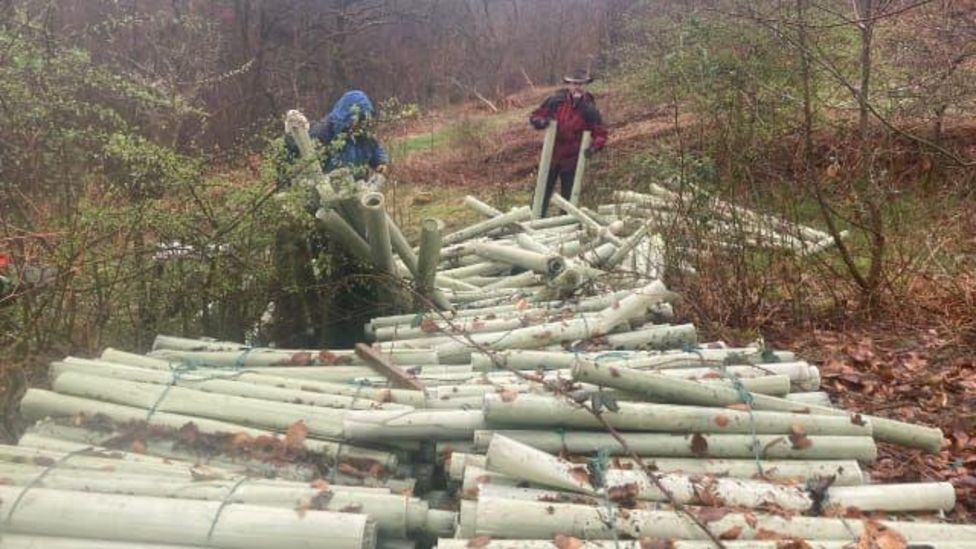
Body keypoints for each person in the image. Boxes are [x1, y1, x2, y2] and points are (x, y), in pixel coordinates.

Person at [529, 69, 608, 216]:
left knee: (569, 197)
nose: (577, 87)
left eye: (581, 84)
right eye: (574, 84)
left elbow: (600, 133)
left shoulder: (589, 109)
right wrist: (541, 122)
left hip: (572, 159)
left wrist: (593, 148)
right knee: (542, 192)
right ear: (569, 85)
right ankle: (534, 221)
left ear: (585, 86)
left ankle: (564, 228)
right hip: (551, 156)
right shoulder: (555, 101)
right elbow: (536, 116)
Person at [285, 89, 389, 179]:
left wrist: (380, 162)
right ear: (348, 114)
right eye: (359, 118)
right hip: (331, 192)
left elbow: (374, 148)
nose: (361, 123)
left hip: (358, 190)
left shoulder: (363, 134)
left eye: (364, 118)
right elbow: (304, 159)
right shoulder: (324, 132)